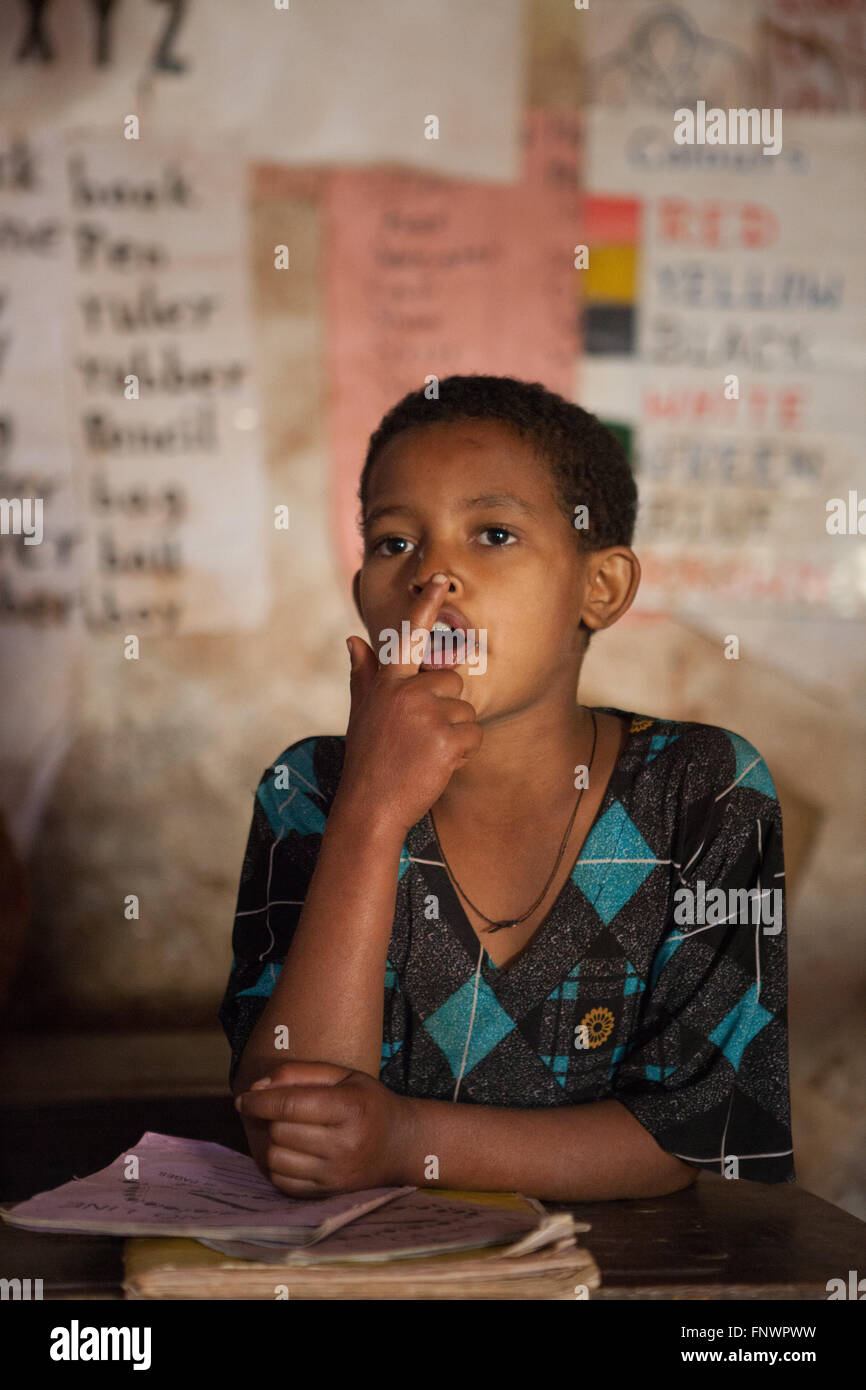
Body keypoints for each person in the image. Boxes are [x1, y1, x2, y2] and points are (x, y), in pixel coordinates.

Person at [219, 374, 794, 1202]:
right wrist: (371, 812)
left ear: (599, 589)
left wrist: (408, 1141)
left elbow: (693, 1131)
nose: (433, 578)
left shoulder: (704, 793)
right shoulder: (307, 789)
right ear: (360, 598)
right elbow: (295, 1123)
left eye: (492, 533)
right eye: (392, 542)